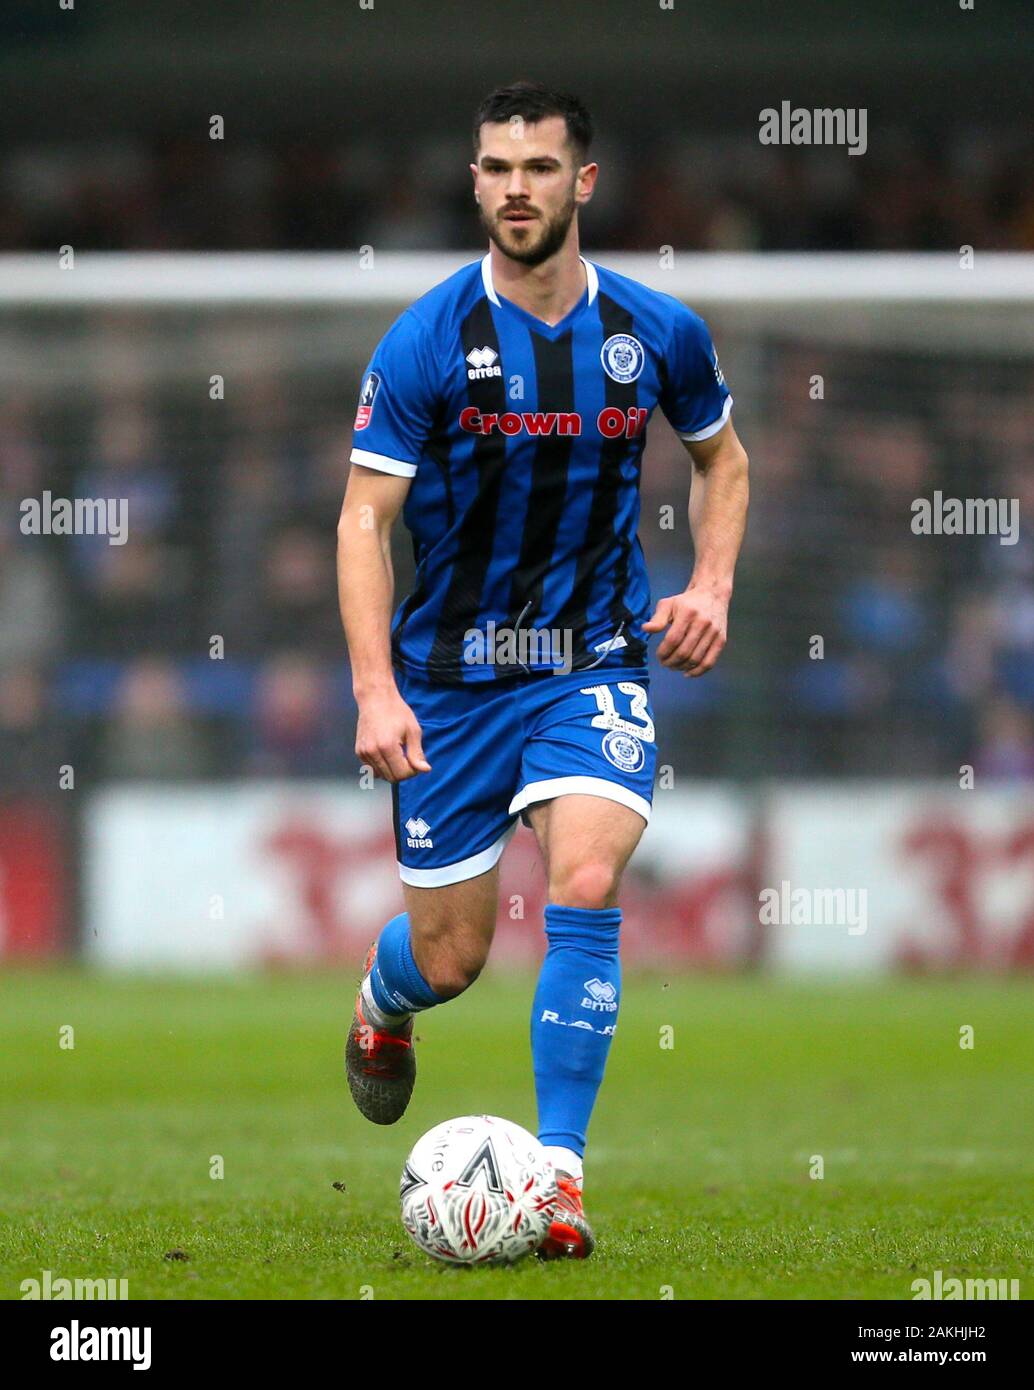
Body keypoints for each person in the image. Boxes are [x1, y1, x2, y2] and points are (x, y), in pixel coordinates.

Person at [336, 81, 749, 1259]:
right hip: (450, 684)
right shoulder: (424, 341)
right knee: (454, 956)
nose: (515, 188)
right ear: (475, 181)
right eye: (494, 168)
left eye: (537, 167)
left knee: (582, 882)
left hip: (591, 662)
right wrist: (373, 689)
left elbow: (726, 464)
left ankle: (559, 1176)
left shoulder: (657, 332)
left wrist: (710, 588)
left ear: (583, 182)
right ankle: (382, 1000)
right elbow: (363, 522)